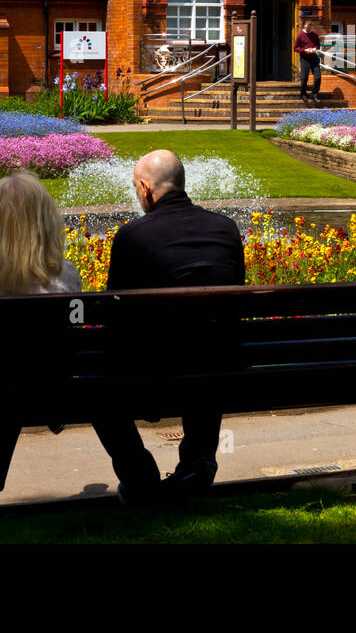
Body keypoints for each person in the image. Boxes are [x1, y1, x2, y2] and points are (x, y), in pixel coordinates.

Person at [92, 149, 246, 505]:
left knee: (96, 389)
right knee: (209, 346)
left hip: (154, 375)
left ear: (146, 188)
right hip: (222, 371)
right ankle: (196, 464)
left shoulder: (132, 236)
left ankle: (139, 474)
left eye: (135, 188)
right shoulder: (226, 228)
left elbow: (115, 318)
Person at [0, 170, 81, 508]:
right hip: (50, 386)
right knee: (26, 372)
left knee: (7, 383)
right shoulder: (64, 273)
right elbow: (73, 338)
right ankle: (136, 472)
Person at [294, 22, 322, 102]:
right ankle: (303, 94)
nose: (309, 29)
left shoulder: (314, 34)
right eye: (307, 28)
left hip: (314, 57)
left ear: (311, 26)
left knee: (318, 76)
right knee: (304, 77)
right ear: (304, 27)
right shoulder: (300, 35)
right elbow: (295, 48)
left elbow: (318, 45)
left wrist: (315, 49)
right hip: (305, 58)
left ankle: (314, 94)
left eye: (310, 28)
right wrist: (304, 50)